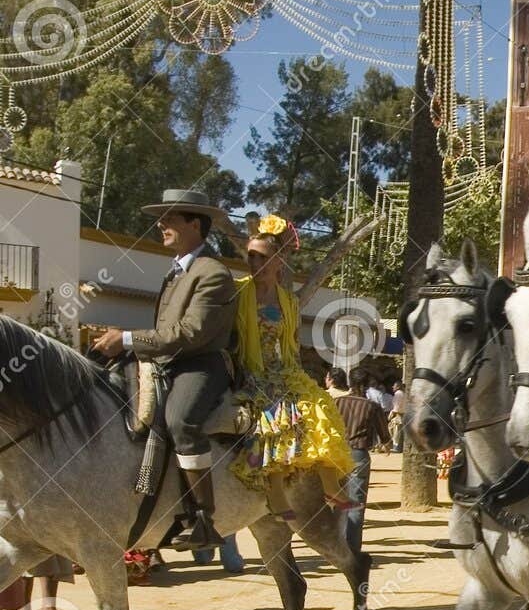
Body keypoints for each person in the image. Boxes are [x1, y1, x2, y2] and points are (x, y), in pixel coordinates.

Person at [90, 188, 238, 551]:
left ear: (194, 224)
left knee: (180, 419)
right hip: (167, 361)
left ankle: (204, 517)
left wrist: (125, 339)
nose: (161, 224)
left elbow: (190, 333)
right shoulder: (175, 272)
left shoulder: (214, 273)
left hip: (202, 364)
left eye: (169, 217)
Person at [229, 215, 355, 516]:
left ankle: (329, 482)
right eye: (250, 255)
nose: (253, 261)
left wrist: (294, 375)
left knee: (320, 406)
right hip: (250, 371)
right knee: (275, 417)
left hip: (283, 369)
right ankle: (273, 490)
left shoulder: (288, 301)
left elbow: (292, 343)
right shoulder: (236, 292)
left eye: (261, 256)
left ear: (277, 262)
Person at [326, 367, 388, 555]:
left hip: (336, 455)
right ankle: (351, 549)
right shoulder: (371, 406)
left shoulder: (336, 403)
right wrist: (385, 444)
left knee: (335, 500)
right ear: (367, 384)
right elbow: (384, 436)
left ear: (349, 382)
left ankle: (333, 544)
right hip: (358, 455)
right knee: (355, 504)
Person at [387, 379, 406, 453]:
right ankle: (398, 447)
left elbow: (396, 408)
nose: (392, 387)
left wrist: (391, 415)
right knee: (397, 432)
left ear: (398, 387)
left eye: (394, 386)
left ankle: (397, 447)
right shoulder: (403, 393)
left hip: (398, 415)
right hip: (401, 414)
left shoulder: (398, 394)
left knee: (396, 432)